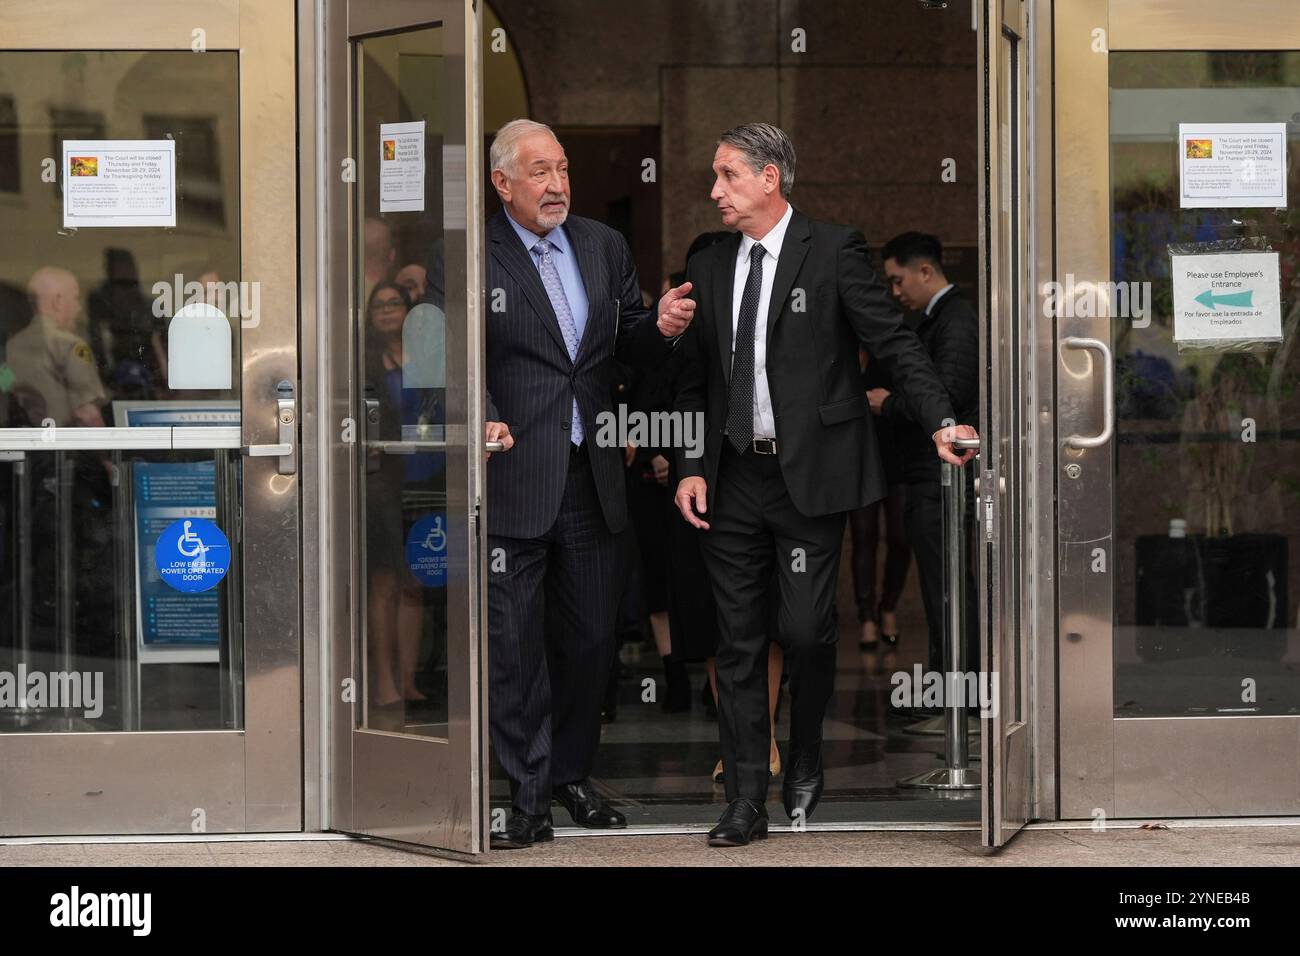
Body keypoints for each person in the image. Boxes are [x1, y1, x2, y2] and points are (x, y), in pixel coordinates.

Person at [673, 123, 977, 847]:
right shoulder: (710, 262)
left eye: (726, 175)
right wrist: (688, 463)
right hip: (732, 475)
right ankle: (747, 796)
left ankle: (806, 747)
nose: (714, 190)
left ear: (769, 178)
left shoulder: (833, 249)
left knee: (806, 631)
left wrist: (939, 417)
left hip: (810, 473)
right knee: (738, 640)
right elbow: (694, 378)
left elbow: (895, 341)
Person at [482, 119, 695, 849]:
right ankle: (528, 796)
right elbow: (448, 349)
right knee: (514, 648)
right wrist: (479, 417)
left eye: (563, 169)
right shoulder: (473, 254)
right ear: (502, 182)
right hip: (513, 474)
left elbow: (625, 340)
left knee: (594, 641)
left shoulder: (602, 245)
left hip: (594, 472)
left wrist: (658, 326)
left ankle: (571, 774)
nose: (557, 185)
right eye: (539, 172)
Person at [874, 232, 979, 675]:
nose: (896, 293)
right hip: (930, 475)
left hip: (940, 477)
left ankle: (960, 692)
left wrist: (888, 403)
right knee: (942, 585)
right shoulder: (942, 318)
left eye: (899, 281)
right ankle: (949, 687)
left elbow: (948, 395)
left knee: (948, 585)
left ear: (925, 271)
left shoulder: (953, 319)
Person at [850, 344, 911, 654]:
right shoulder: (836, 356)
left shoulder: (888, 354)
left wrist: (885, 404)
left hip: (896, 461)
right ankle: (867, 618)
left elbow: (909, 399)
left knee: (901, 539)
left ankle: (888, 606)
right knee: (864, 540)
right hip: (857, 464)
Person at [9, 267, 106, 428]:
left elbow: (7, 387)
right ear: (58, 302)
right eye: (75, 299)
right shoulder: (70, 346)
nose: (79, 308)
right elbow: (87, 414)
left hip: (24, 444)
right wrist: (108, 451)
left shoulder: (11, 347)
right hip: (63, 447)